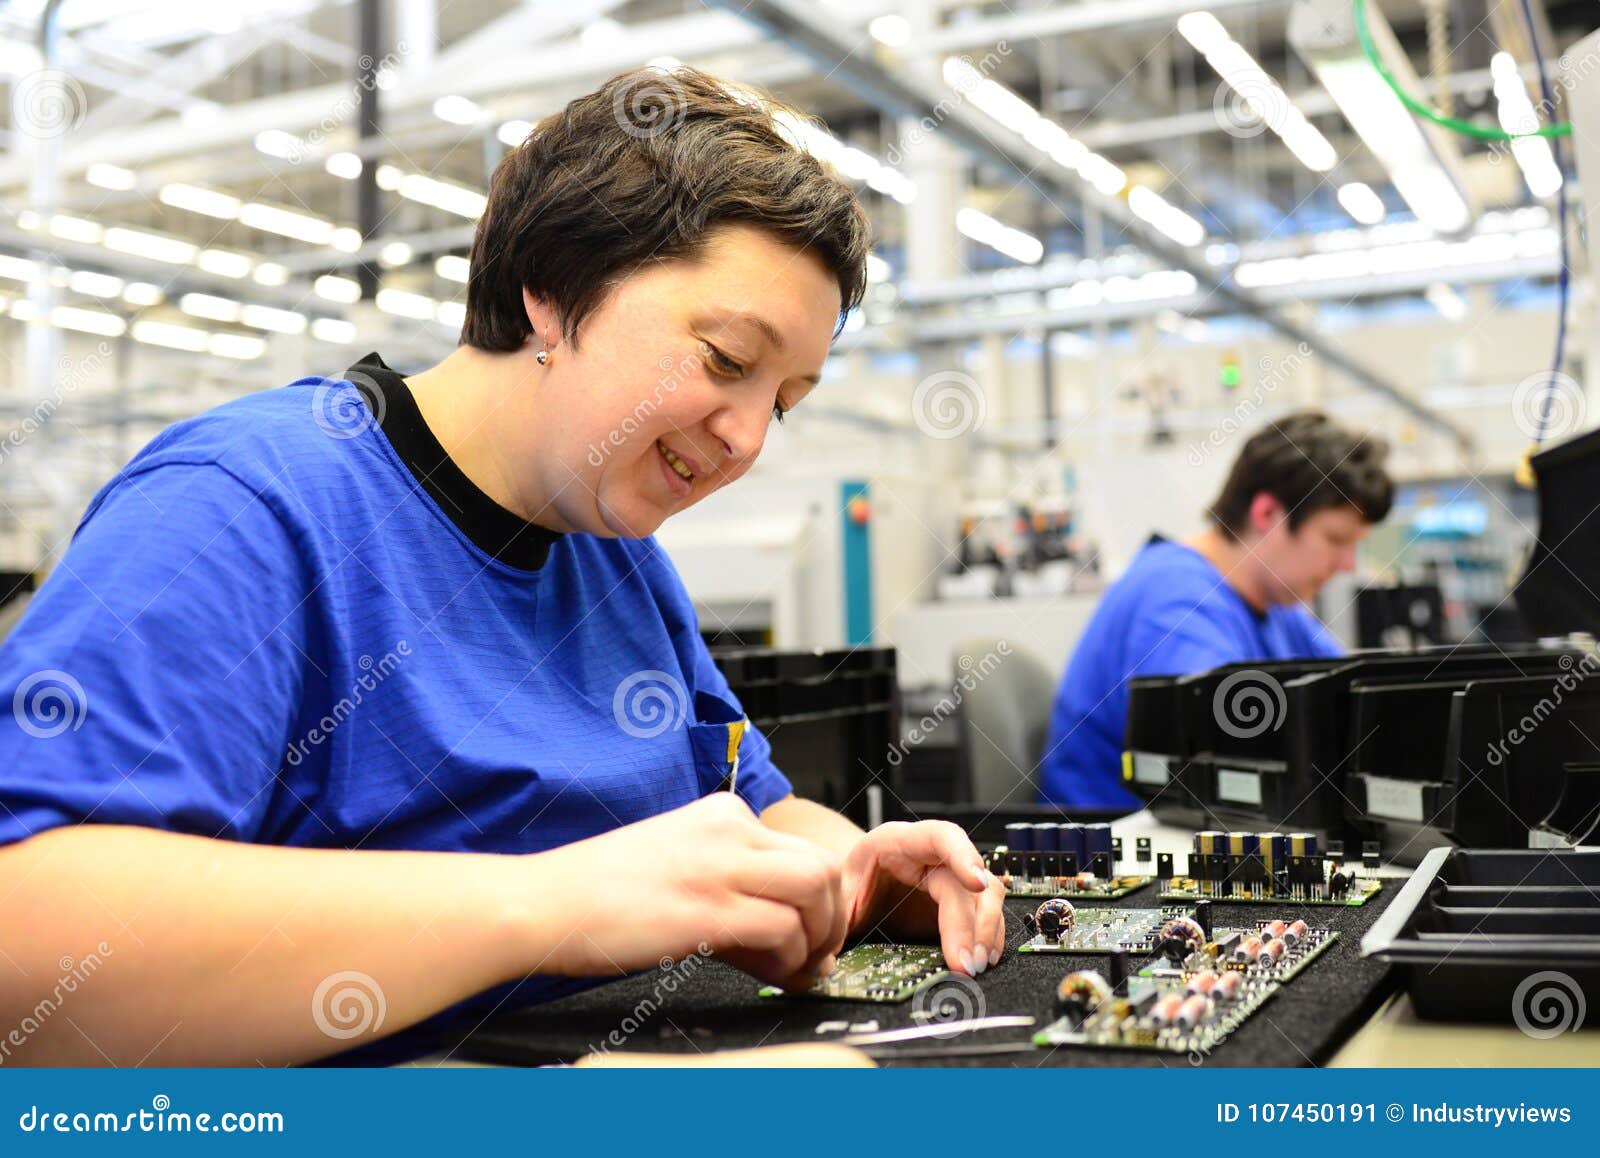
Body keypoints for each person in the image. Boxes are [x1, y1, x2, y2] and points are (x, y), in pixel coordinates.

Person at [0, 67, 1005, 1066]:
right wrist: (553, 904)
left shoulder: (616, 558)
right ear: (553, 294)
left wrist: (850, 870)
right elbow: (30, 943)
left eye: (783, 400)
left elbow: (754, 811)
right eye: (725, 359)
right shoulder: (242, 504)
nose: (747, 440)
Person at [1039, 410, 1393, 810]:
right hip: (1110, 845)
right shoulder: (1176, 602)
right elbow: (1227, 764)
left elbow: (1355, 696)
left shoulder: (1279, 606)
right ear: (1266, 515)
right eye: (1336, 539)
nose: (1348, 564)